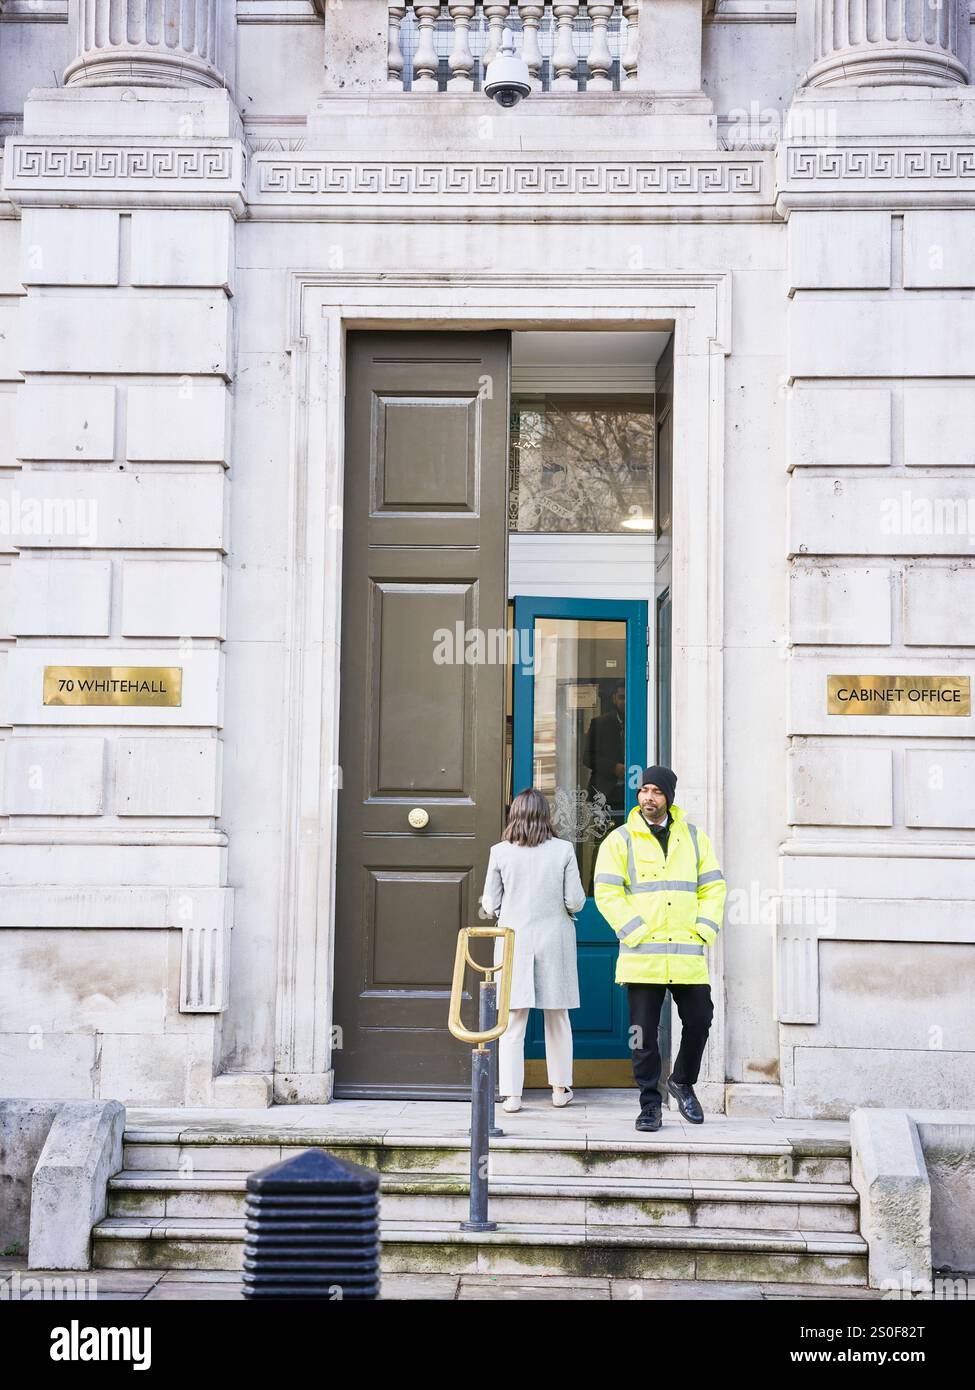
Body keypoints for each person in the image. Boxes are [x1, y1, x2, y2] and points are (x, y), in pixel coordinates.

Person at [593, 765, 726, 1132]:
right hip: (643, 955)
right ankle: (649, 1104)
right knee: (642, 1034)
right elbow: (606, 891)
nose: (648, 797)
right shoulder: (619, 841)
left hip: (686, 952)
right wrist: (632, 930)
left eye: (656, 791)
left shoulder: (695, 838)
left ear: (669, 797)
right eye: (644, 790)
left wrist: (704, 930)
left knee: (700, 1020)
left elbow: (713, 887)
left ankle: (682, 1081)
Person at [480, 788, 586, 1113]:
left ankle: (512, 1095)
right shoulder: (564, 850)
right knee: (557, 1018)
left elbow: (489, 903)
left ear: (514, 815)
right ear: (546, 815)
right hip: (555, 938)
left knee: (513, 1020)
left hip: (514, 939)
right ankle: (560, 1089)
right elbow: (576, 901)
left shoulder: (500, 852)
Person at [583, 681, 626, 812]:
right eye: (621, 697)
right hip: (604, 792)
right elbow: (587, 758)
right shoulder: (599, 723)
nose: (624, 702)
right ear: (614, 699)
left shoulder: (646, 722)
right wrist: (614, 768)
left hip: (633, 791)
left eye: (627, 697)